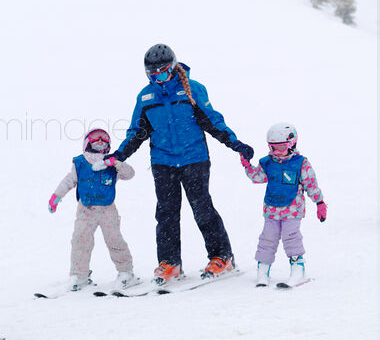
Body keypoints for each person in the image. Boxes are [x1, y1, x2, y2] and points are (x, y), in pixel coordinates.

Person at [99, 44, 254, 287]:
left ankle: (222, 257)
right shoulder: (146, 97)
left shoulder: (192, 90)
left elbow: (213, 121)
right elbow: (136, 132)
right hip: (163, 162)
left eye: (161, 74)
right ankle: (170, 263)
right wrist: (119, 155)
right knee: (166, 213)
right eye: (152, 76)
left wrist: (237, 145)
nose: (157, 80)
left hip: (194, 159)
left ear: (172, 69)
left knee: (202, 208)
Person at [48, 128, 139, 291]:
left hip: (108, 210)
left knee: (114, 240)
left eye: (104, 139)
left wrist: (117, 163)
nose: (100, 141)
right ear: (87, 143)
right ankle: (79, 276)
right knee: (80, 241)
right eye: (95, 138)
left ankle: (126, 273)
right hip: (85, 210)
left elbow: (130, 174)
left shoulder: (111, 163)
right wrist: (56, 197)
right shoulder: (80, 162)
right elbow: (69, 181)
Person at [240, 123, 326, 287]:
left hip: (293, 210)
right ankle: (263, 271)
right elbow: (258, 177)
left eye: (281, 148)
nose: (276, 152)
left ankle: (297, 270)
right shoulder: (267, 163)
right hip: (272, 209)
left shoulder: (300, 163)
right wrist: (247, 166)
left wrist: (319, 202)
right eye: (273, 148)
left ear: (292, 144)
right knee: (267, 239)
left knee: (291, 237)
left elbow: (311, 184)